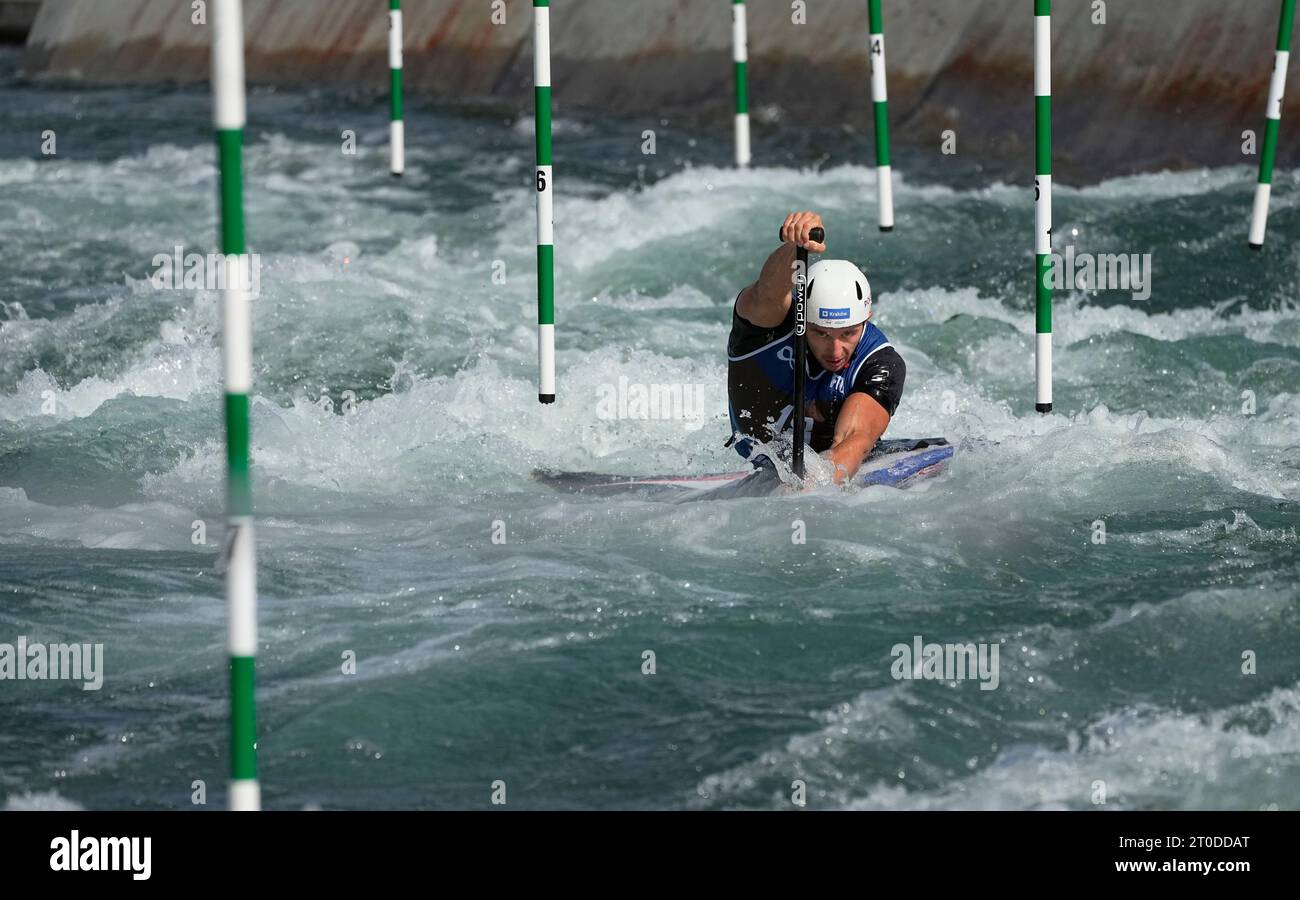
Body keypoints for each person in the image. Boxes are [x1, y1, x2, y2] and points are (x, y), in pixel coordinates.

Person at [726, 211, 905, 484]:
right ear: (803, 317)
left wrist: (812, 487)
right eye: (820, 333)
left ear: (867, 319)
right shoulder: (769, 326)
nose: (835, 351)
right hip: (757, 460)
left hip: (826, 466)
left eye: (848, 333)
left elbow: (854, 439)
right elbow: (768, 292)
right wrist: (795, 247)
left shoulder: (879, 362)